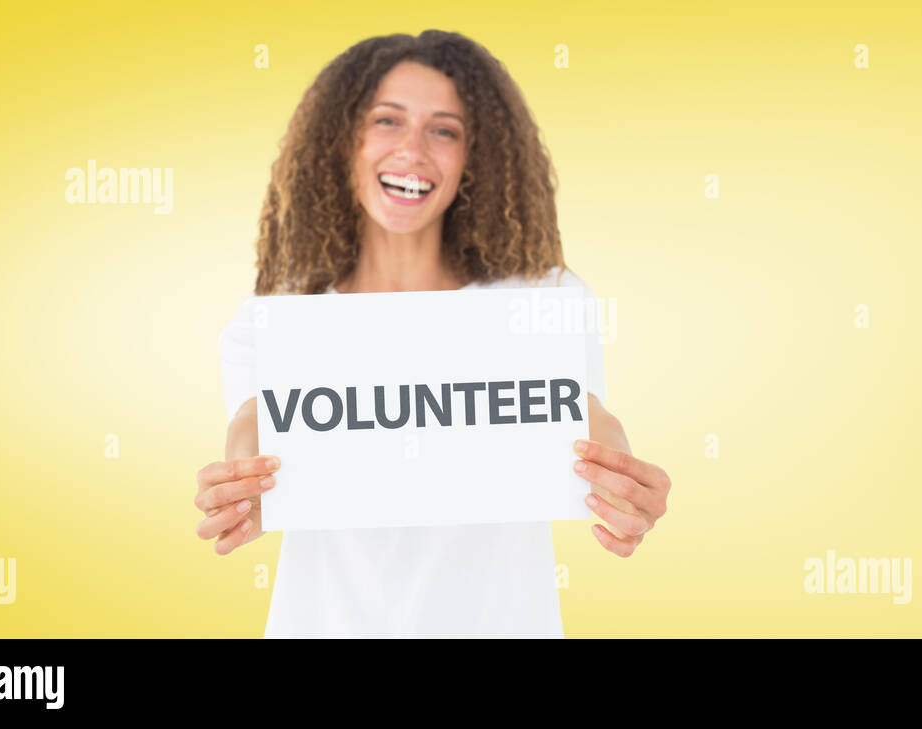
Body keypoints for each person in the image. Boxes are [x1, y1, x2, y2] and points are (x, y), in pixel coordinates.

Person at [194, 30, 671, 637]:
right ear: (343, 140)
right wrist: (241, 493)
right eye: (387, 121)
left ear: (477, 156)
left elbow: (588, 421)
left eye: (443, 129)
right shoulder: (284, 314)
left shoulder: (539, 297)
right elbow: (252, 434)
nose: (413, 150)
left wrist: (626, 490)